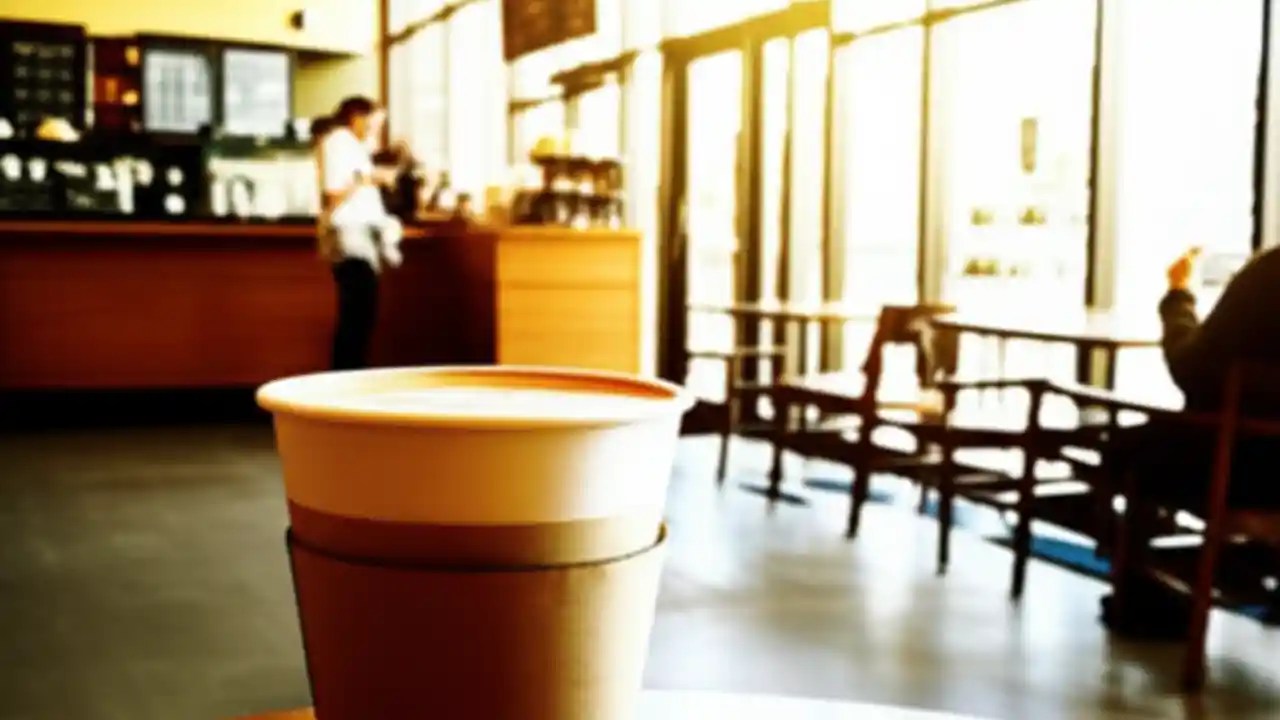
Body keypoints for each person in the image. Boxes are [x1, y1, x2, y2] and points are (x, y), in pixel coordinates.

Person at [1102, 245, 1280, 637]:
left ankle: (1145, 594)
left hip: (1240, 470)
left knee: (1124, 450)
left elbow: (1193, 368)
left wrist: (1178, 295)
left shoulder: (1271, 274)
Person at [316, 97, 403, 371]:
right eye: (374, 123)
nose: (375, 131)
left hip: (359, 236)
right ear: (357, 117)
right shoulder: (338, 143)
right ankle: (346, 376)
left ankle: (350, 375)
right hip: (349, 235)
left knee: (361, 314)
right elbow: (333, 194)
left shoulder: (352, 146)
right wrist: (369, 179)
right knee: (357, 315)